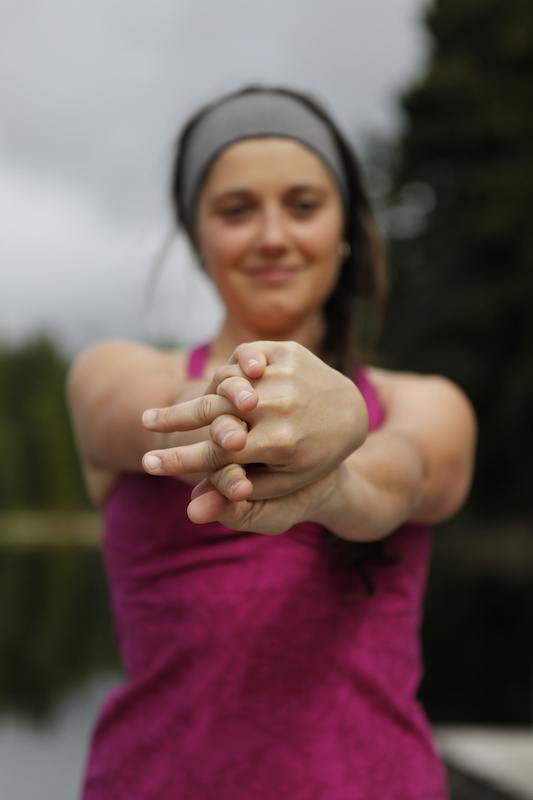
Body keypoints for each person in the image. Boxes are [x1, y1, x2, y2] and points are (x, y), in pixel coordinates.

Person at [68, 86, 476, 799]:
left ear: (346, 226)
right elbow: (137, 411)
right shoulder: (116, 372)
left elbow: (400, 476)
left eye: (303, 205)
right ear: (197, 238)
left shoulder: (427, 404)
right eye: (234, 211)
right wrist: (231, 411)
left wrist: (335, 475)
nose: (271, 236)